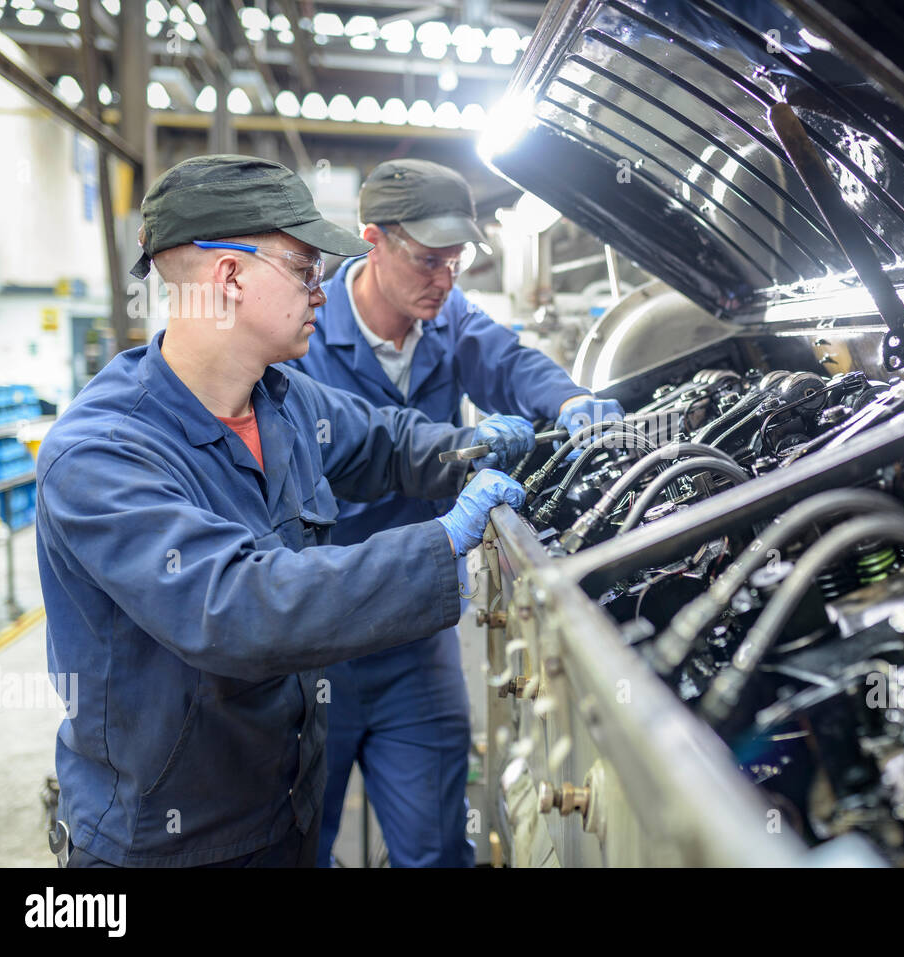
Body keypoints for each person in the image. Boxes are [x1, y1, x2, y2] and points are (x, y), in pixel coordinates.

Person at [35, 154, 532, 867]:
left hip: (283, 810)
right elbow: (237, 606)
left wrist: (480, 447)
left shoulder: (283, 400)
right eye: (304, 269)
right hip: (167, 845)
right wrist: (438, 543)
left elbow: (389, 443)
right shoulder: (101, 453)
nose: (321, 292)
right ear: (229, 277)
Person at [290, 159, 623, 867]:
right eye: (428, 261)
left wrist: (569, 401)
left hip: (417, 629)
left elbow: (509, 360)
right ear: (372, 240)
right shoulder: (306, 339)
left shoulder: (448, 319)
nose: (444, 279)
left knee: (438, 846)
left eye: (457, 262)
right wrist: (449, 468)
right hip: (320, 638)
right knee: (296, 839)